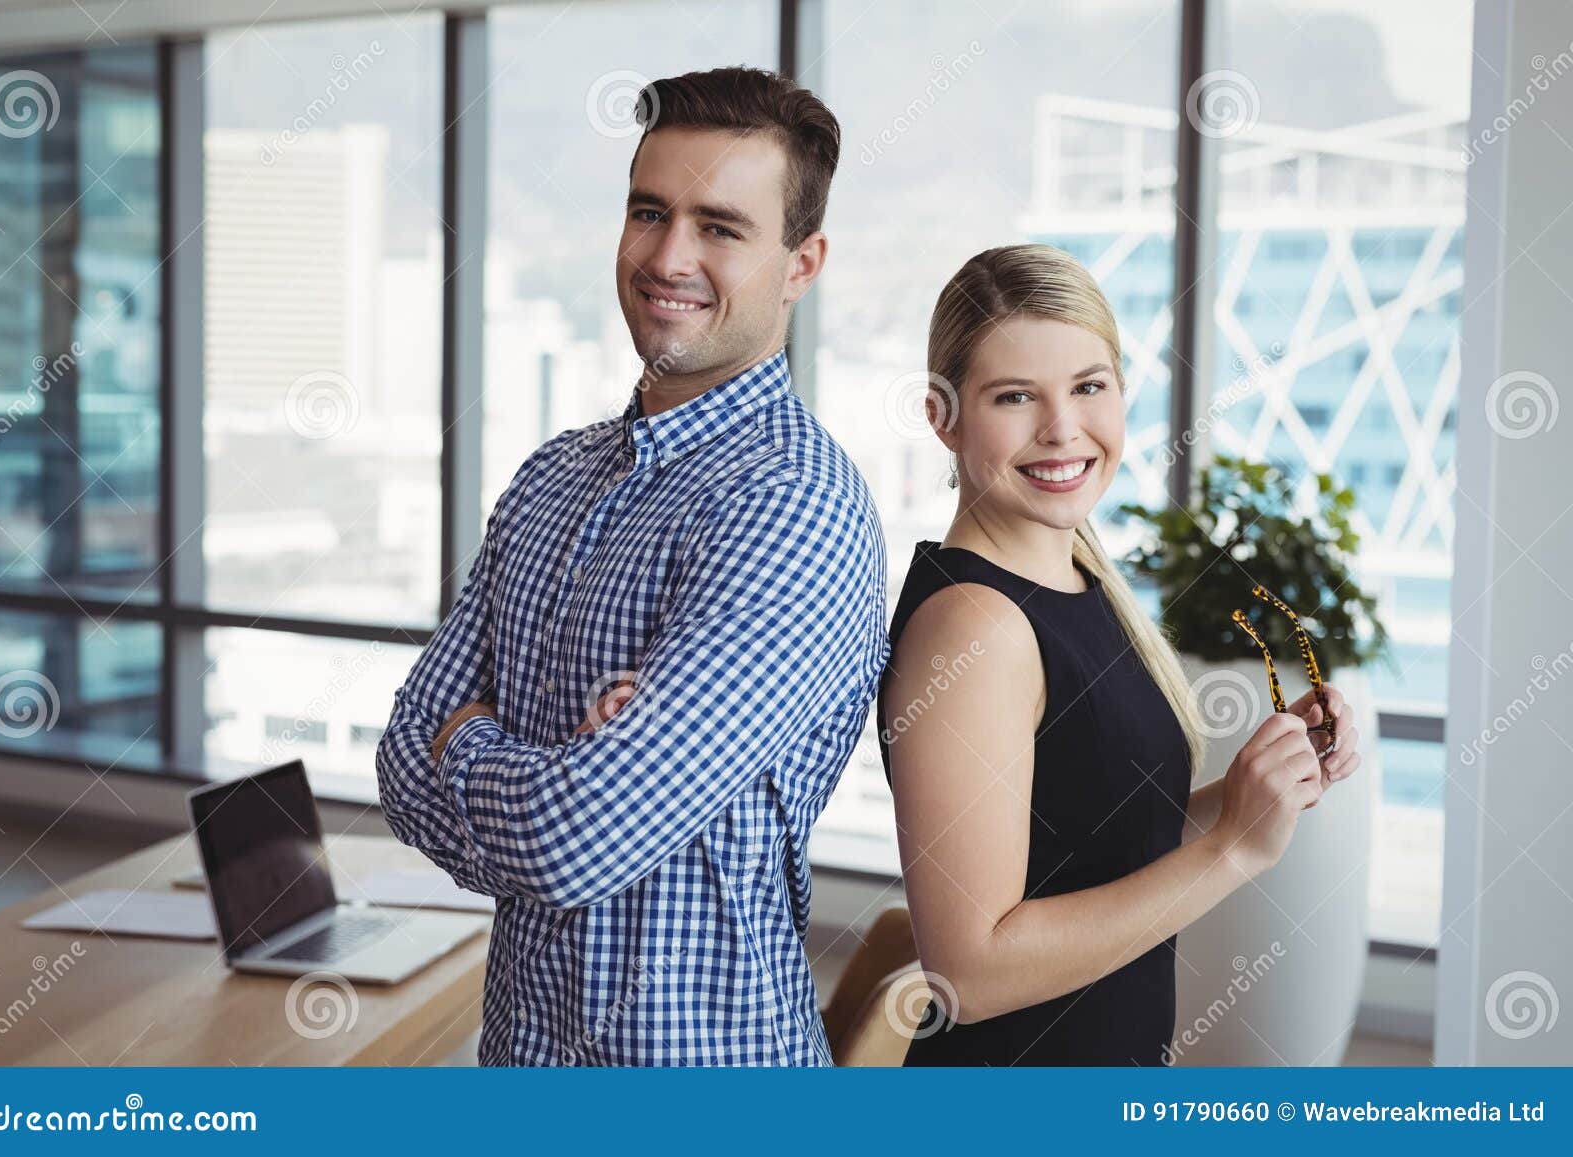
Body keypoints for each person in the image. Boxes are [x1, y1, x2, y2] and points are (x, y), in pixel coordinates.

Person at [375, 66, 889, 1066]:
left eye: (721, 227)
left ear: (801, 263)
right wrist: (552, 779)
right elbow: (400, 766)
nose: (669, 256)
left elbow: (575, 838)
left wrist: (472, 738)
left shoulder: (791, 504)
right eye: (648, 211)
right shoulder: (551, 478)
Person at [877, 243, 1363, 1066]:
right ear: (942, 414)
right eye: (1015, 395)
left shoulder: (1076, 574)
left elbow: (1099, 844)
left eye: (1089, 386)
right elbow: (970, 970)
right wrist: (1234, 848)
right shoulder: (976, 626)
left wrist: (1257, 790)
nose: (1063, 428)